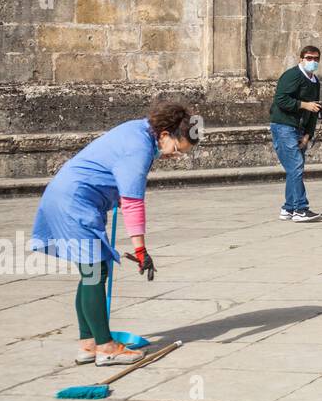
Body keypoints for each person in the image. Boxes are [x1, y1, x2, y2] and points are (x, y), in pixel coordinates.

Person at [29, 102, 199, 366]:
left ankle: (88, 344)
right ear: (165, 135)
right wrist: (141, 250)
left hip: (68, 196)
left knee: (93, 271)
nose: (175, 156)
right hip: (74, 202)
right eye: (176, 149)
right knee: (95, 272)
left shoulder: (139, 130)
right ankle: (106, 348)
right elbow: (133, 202)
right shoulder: (140, 148)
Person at [270, 44, 322, 222]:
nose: (312, 62)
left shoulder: (314, 81)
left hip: (299, 128)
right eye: (309, 58)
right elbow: (281, 98)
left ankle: (288, 208)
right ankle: (301, 209)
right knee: (296, 166)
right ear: (301, 59)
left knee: (294, 169)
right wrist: (303, 104)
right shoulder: (293, 75)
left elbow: (314, 109)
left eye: (316, 59)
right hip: (284, 125)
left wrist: (308, 134)